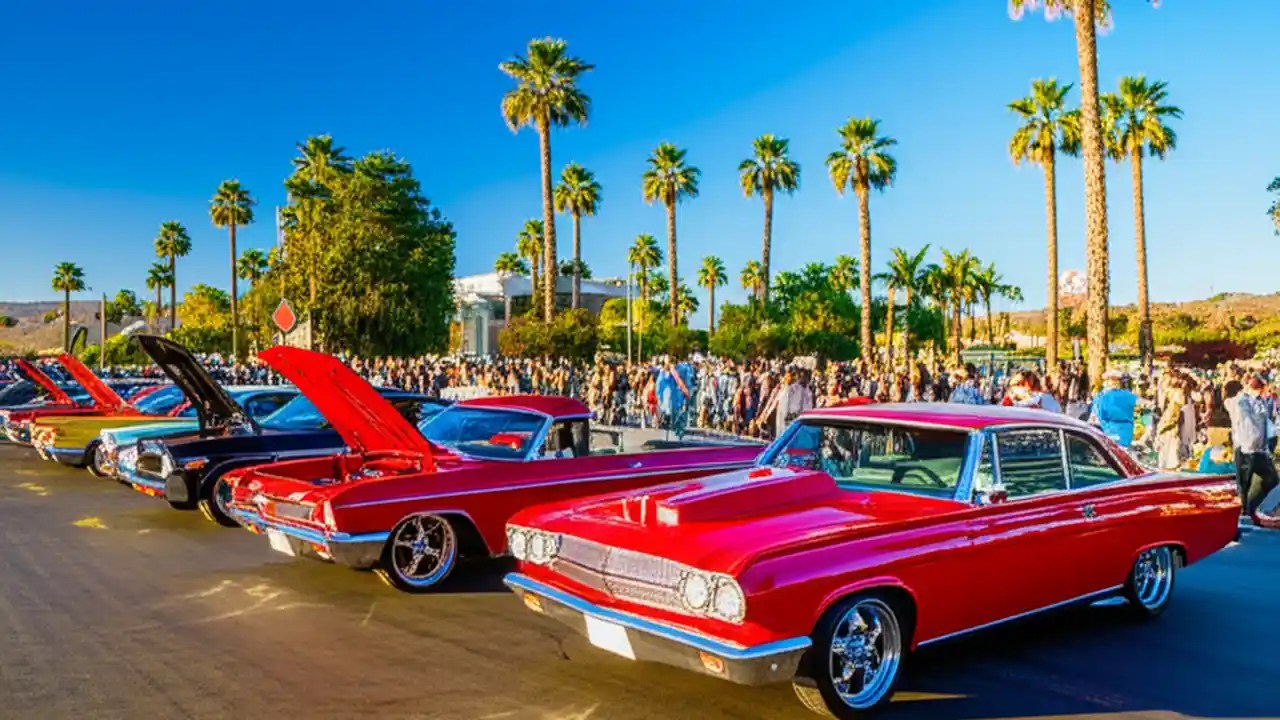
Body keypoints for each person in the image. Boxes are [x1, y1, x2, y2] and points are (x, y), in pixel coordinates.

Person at [1224, 375, 1280, 523]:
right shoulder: (1239, 402)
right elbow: (1251, 427)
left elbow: (1266, 425)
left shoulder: (1256, 402)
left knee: (1269, 481)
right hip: (1246, 449)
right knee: (1245, 484)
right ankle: (1245, 512)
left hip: (1254, 449)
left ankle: (1251, 508)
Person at [1090, 370, 1139, 447]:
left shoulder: (1101, 397)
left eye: (1116, 381)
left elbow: (1094, 419)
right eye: (1112, 381)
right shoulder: (1100, 397)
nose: (1114, 383)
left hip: (1112, 437)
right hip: (1114, 437)